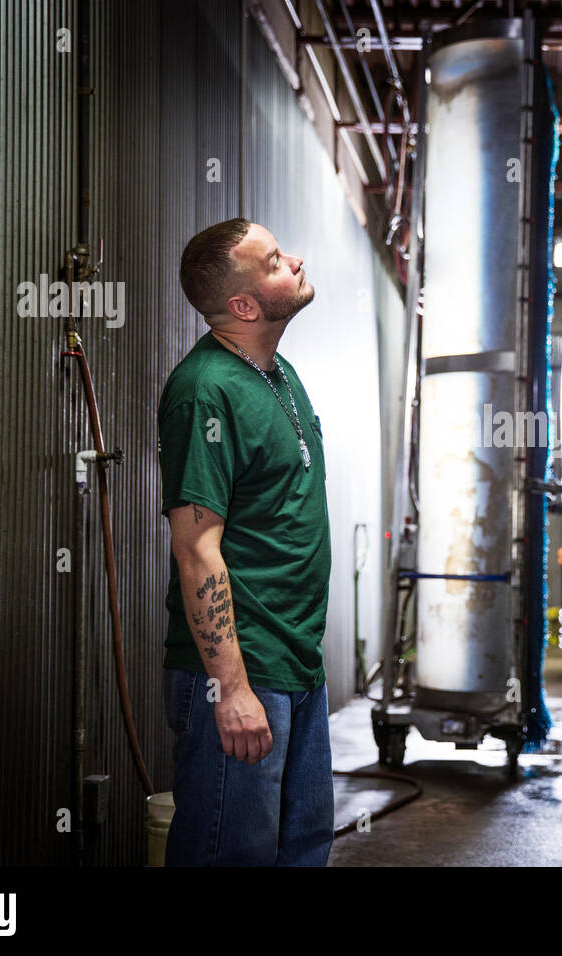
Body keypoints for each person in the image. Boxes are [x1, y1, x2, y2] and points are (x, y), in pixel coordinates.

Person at [157, 216, 333, 866]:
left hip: (296, 664)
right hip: (242, 675)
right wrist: (231, 691)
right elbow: (196, 549)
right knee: (233, 857)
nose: (296, 261)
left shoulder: (277, 373)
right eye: (276, 260)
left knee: (302, 851)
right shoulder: (205, 392)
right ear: (244, 304)